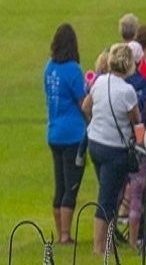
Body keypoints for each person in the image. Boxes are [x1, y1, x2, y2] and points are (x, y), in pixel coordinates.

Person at [82, 43, 139, 255]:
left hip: (95, 143)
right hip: (115, 148)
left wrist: (95, 123)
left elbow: (86, 107)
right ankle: (99, 247)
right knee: (107, 197)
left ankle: (108, 240)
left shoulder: (99, 82)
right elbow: (136, 119)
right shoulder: (128, 91)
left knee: (110, 191)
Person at [44, 23, 87, 245]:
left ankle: (60, 230)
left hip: (54, 132)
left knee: (59, 184)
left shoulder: (49, 68)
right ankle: (65, 235)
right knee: (72, 184)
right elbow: (83, 103)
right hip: (72, 134)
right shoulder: (73, 70)